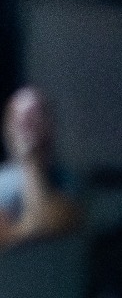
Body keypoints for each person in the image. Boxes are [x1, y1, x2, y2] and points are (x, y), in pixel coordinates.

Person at [0, 87, 82, 251]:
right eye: (21, 118)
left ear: (49, 125)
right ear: (8, 128)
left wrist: (31, 163)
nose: (28, 126)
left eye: (35, 116)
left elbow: (45, 230)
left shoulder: (69, 180)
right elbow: (10, 241)